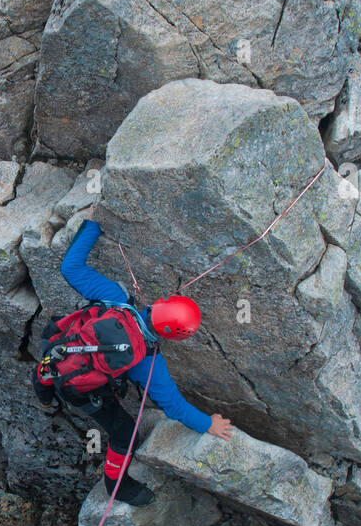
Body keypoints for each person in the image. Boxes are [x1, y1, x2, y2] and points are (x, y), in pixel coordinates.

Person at [34, 215, 234, 507]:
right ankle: (117, 487)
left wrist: (93, 224)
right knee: (125, 435)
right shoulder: (147, 362)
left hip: (57, 349)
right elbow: (174, 407)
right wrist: (208, 424)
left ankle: (45, 396)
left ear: (161, 303)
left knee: (50, 369)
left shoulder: (115, 298)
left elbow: (71, 267)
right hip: (83, 392)